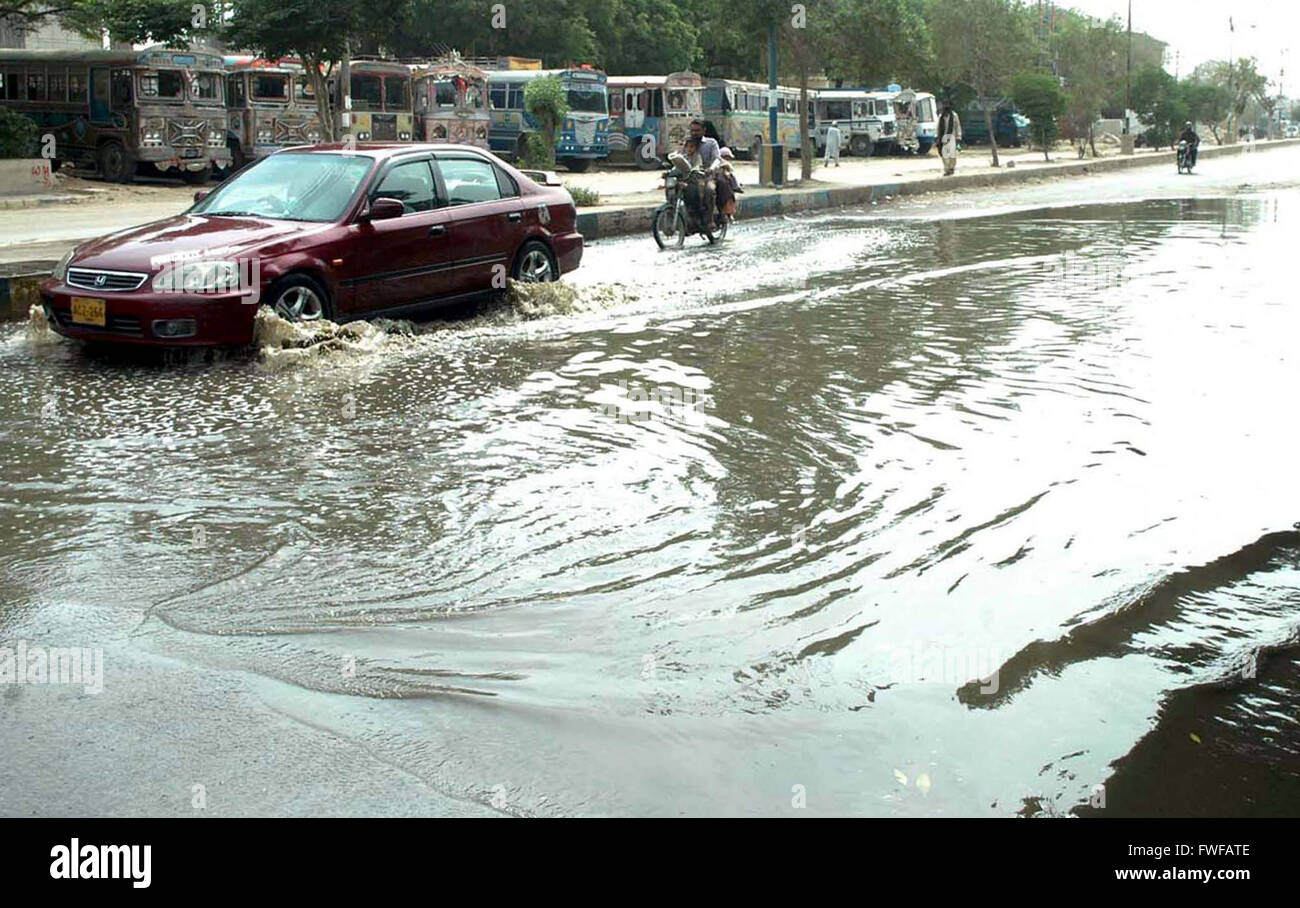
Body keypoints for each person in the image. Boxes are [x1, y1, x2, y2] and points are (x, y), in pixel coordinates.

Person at [936, 101, 961, 176]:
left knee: (952, 155)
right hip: (943, 138)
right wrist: (937, 137)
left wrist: (959, 136)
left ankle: (951, 168)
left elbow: (957, 126)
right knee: (944, 155)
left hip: (952, 137)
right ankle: (947, 169)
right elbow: (938, 128)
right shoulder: (941, 117)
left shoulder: (954, 116)